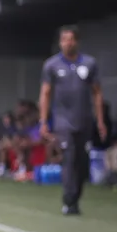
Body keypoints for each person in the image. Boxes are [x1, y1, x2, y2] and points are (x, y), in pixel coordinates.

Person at [39, 26, 106, 215]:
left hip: (84, 120)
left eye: (71, 39)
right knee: (69, 157)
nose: (68, 43)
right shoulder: (51, 65)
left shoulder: (89, 64)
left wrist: (100, 120)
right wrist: (43, 121)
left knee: (81, 161)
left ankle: (76, 198)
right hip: (63, 121)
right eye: (65, 39)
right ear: (60, 42)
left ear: (77, 42)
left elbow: (97, 93)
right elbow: (45, 93)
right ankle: (68, 200)